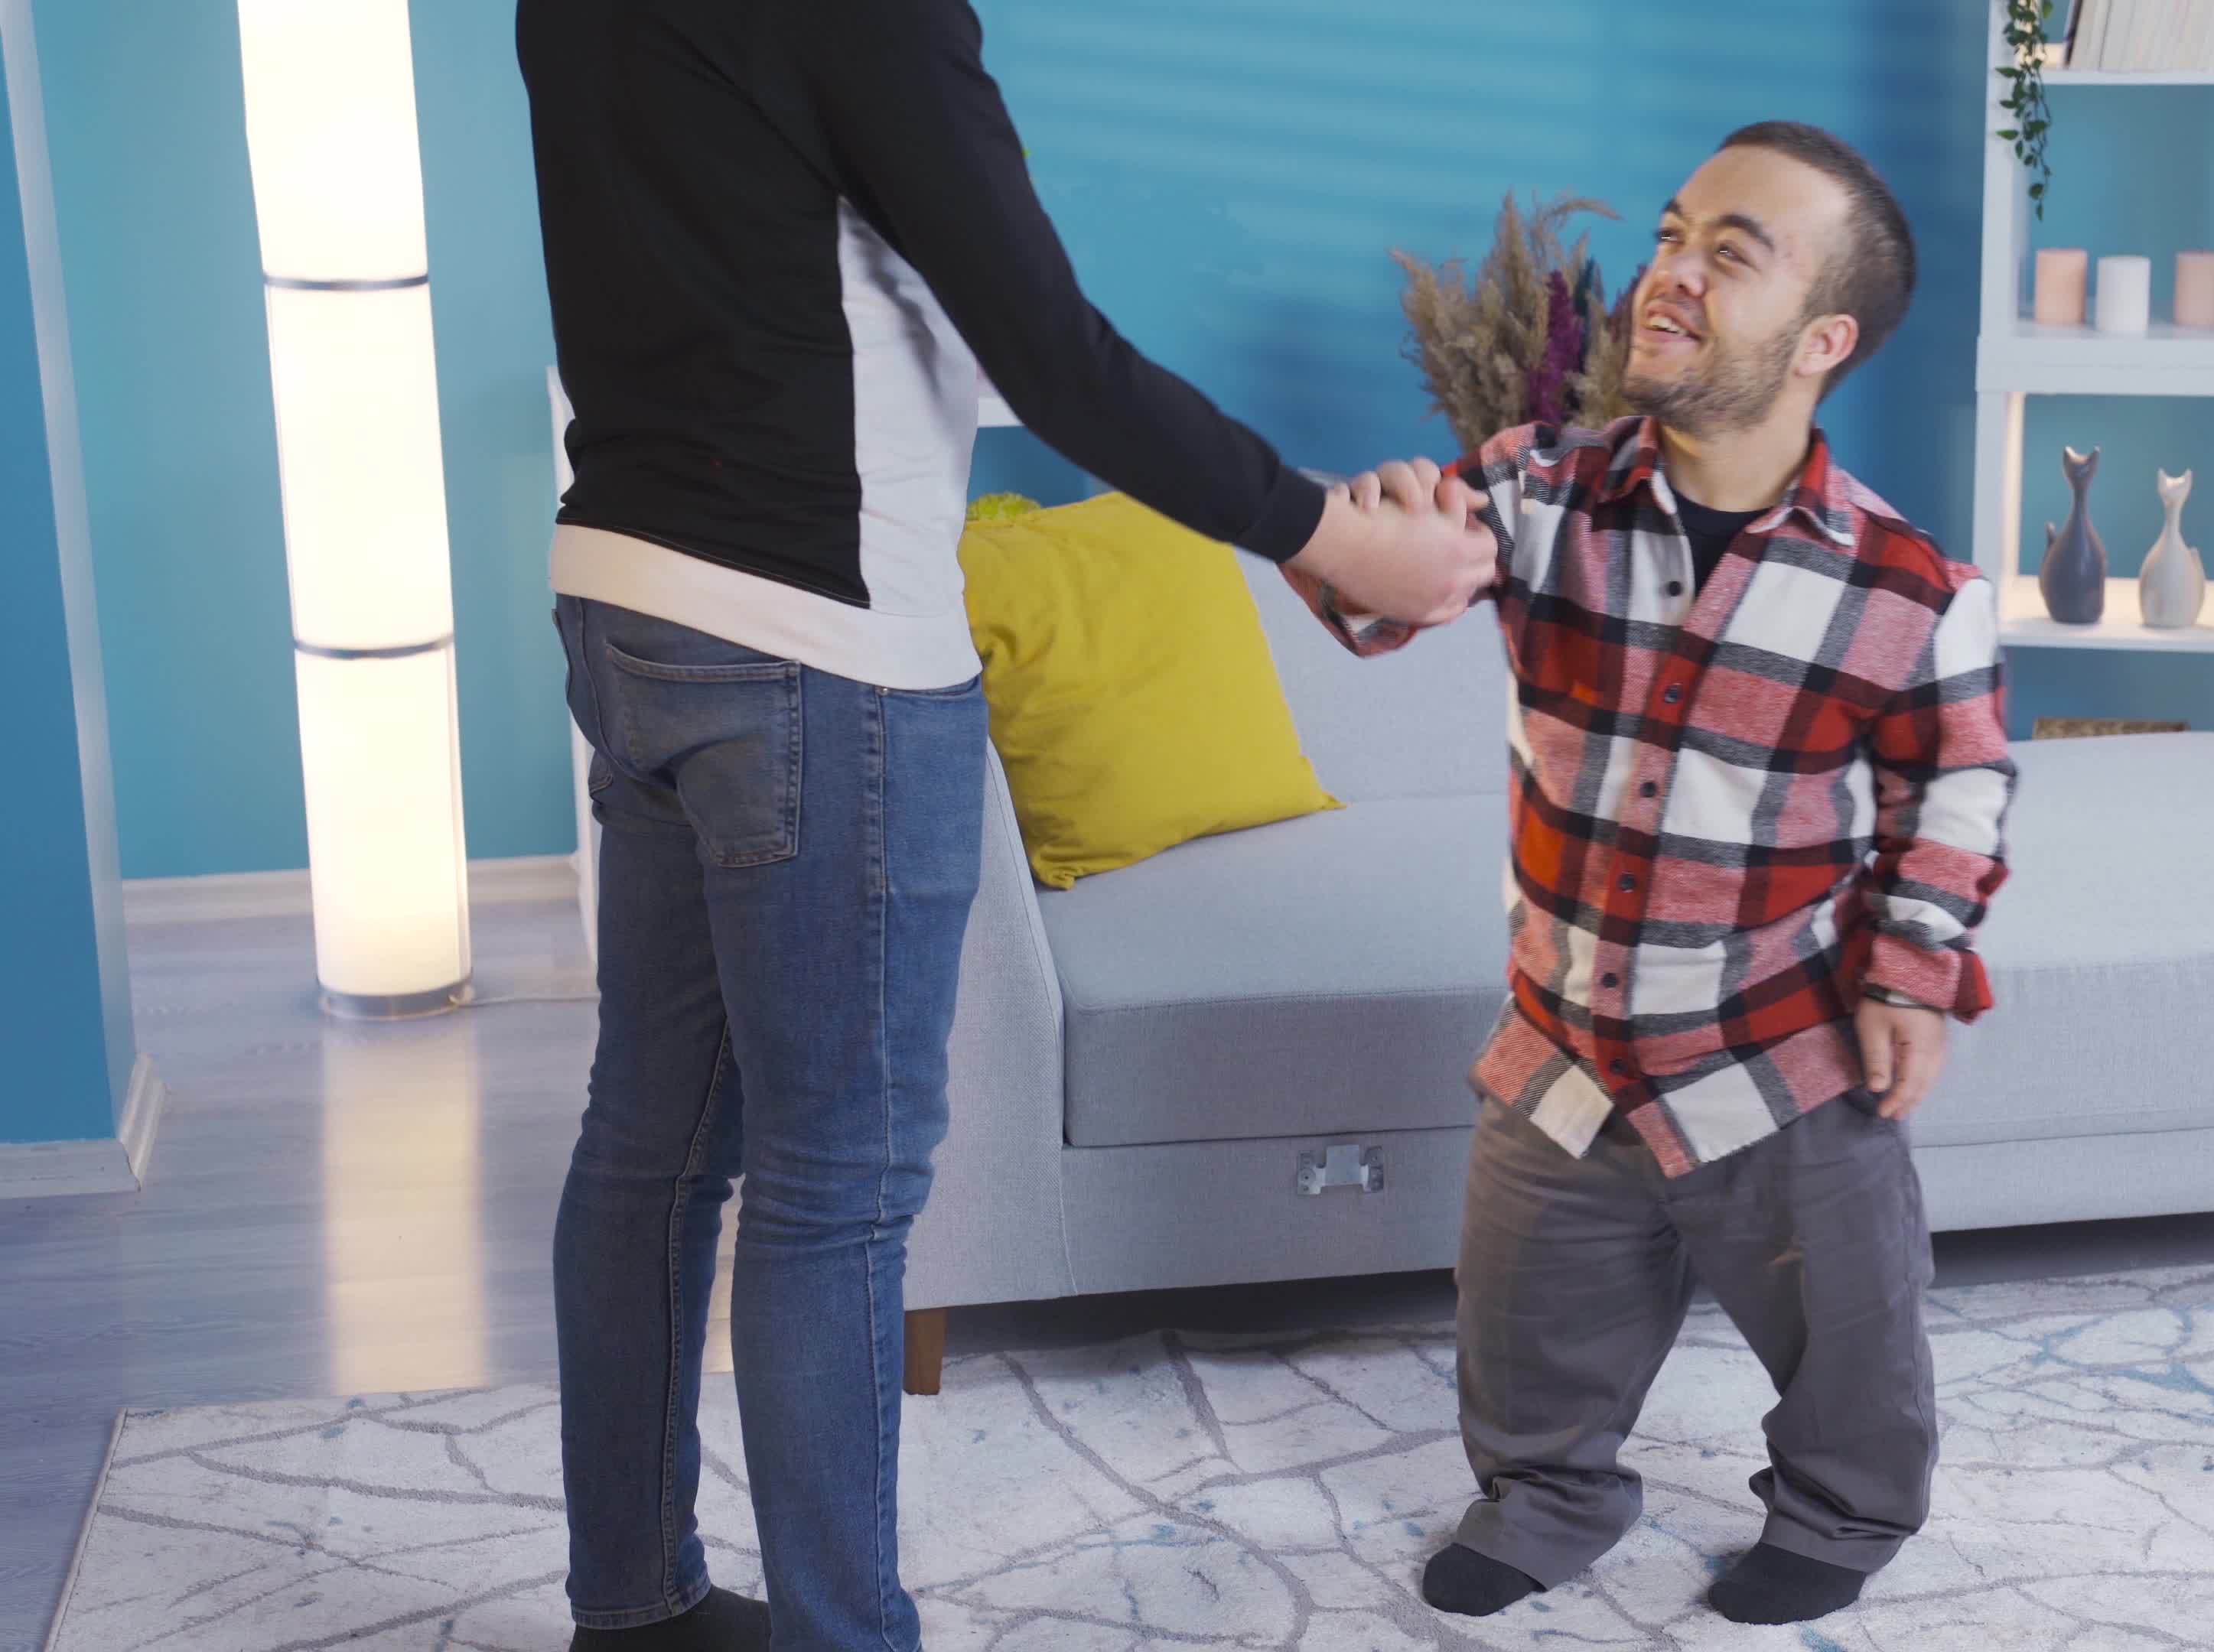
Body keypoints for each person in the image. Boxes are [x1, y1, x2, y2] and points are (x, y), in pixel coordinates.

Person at [514, 0, 1488, 1646]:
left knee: (651, 1147)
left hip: (632, 607)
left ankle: (633, 1605)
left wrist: (1312, 546)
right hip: (825, 644)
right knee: (838, 1181)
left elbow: (875, 295)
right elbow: (1052, 353)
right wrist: (1334, 535)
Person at [1305, 122, 2014, 1627]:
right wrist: (1357, 545)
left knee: (1854, 1326)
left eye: (1729, 255)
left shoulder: (1906, 588)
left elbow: (1955, 782)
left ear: (1824, 338)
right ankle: (1548, 1495)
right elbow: (1382, 605)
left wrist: (1913, 971)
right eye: (1673, 235)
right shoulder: (1532, 490)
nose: (1669, 277)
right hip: (1562, 1044)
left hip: (1776, 1046)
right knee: (1522, 1329)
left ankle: (1841, 1509)